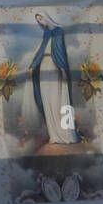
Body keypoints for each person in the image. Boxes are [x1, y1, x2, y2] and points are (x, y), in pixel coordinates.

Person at [29, 12, 80, 145]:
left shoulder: (58, 31)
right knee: (47, 100)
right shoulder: (46, 34)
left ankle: (65, 133)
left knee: (57, 99)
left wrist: (62, 67)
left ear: (46, 17)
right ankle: (54, 134)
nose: (40, 22)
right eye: (37, 20)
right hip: (44, 66)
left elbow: (59, 51)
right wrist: (34, 65)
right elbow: (41, 50)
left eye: (40, 18)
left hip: (54, 66)